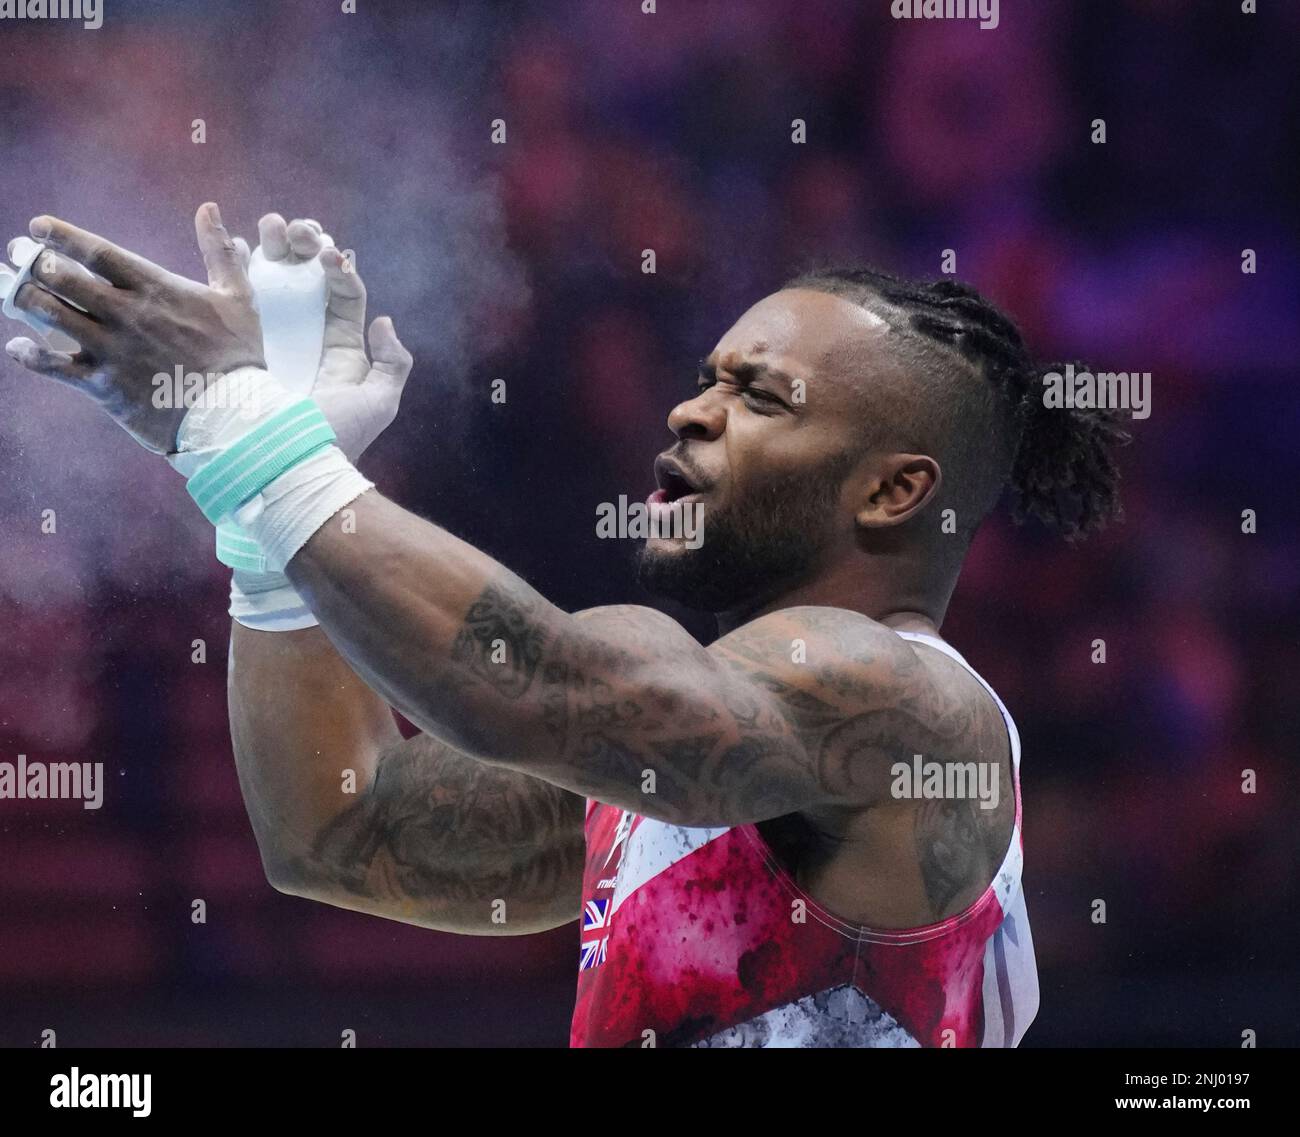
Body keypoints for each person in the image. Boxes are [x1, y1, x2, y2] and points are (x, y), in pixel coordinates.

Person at [3, 203, 1126, 1047]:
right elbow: (345, 833)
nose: (692, 409)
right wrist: (269, 528)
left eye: (761, 396)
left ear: (892, 492)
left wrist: (250, 433)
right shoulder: (681, 742)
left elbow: (544, 686)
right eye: (707, 378)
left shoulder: (911, 707)